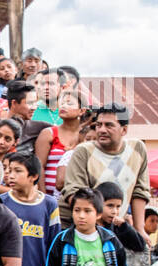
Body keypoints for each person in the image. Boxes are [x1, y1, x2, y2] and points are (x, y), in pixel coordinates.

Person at [58, 102, 152, 245]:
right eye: (98, 125)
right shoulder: (83, 151)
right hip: (78, 227)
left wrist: (139, 229)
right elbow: (74, 192)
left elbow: (140, 191)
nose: (101, 130)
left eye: (109, 125)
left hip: (113, 228)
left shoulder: (138, 149)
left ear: (124, 130)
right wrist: (96, 227)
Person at [36, 87, 83, 196]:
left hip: (75, 197)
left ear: (82, 110)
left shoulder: (86, 136)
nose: (63, 106)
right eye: (61, 103)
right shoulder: (49, 133)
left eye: (69, 103)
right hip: (49, 196)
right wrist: (44, 197)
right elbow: (39, 166)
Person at [97, 180, 146, 252]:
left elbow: (140, 245)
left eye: (118, 207)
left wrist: (124, 225)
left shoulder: (117, 228)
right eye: (110, 206)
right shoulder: (89, 226)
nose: (115, 211)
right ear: (98, 204)